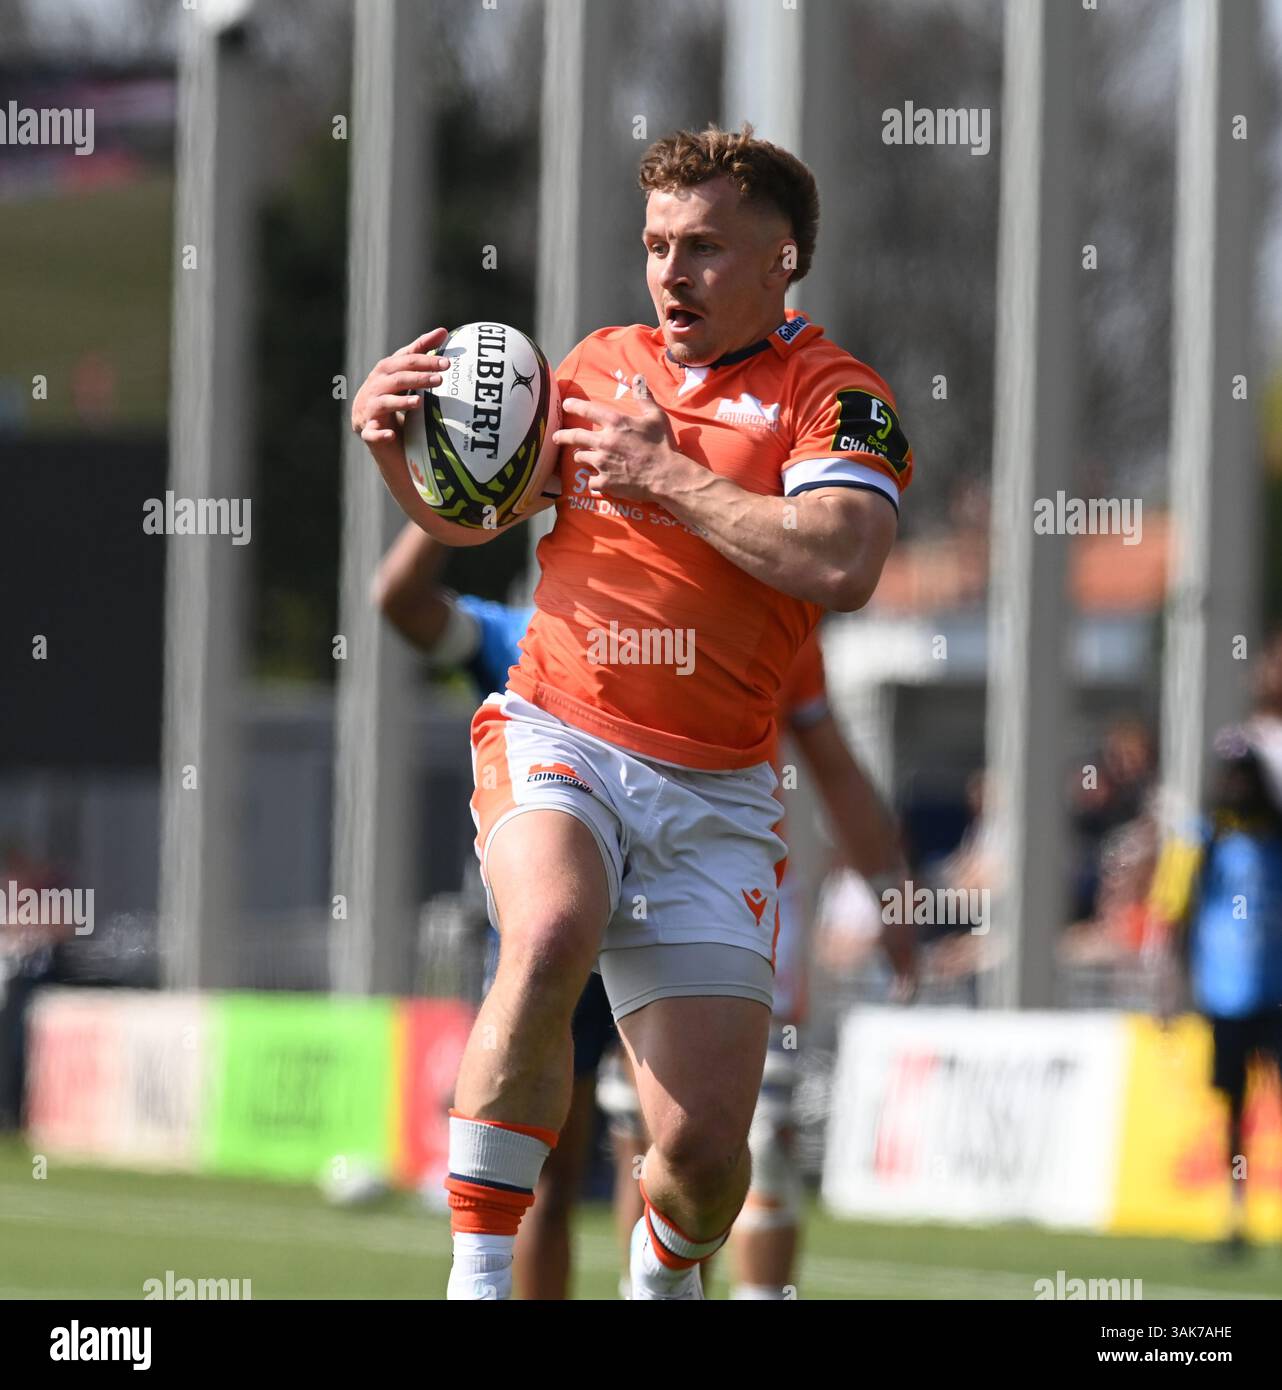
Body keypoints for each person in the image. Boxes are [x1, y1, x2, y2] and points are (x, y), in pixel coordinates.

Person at [352, 122, 911, 1300]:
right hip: (562, 729)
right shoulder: (596, 366)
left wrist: (667, 473)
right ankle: (477, 1281)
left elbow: (842, 561)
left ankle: (659, 1283)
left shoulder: (835, 399)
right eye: (657, 244)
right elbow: (472, 520)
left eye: (704, 247)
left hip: (716, 795)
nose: (671, 273)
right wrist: (397, 453)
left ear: (783, 259)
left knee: (704, 1161)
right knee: (547, 930)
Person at [1150, 728, 1282, 1255]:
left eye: (1243, 775)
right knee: (1232, 1107)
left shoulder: (1276, 836)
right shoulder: (1200, 839)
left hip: (1275, 994)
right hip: (1225, 996)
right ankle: (1235, 1211)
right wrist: (1167, 992)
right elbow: (1170, 916)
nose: (1237, 786)